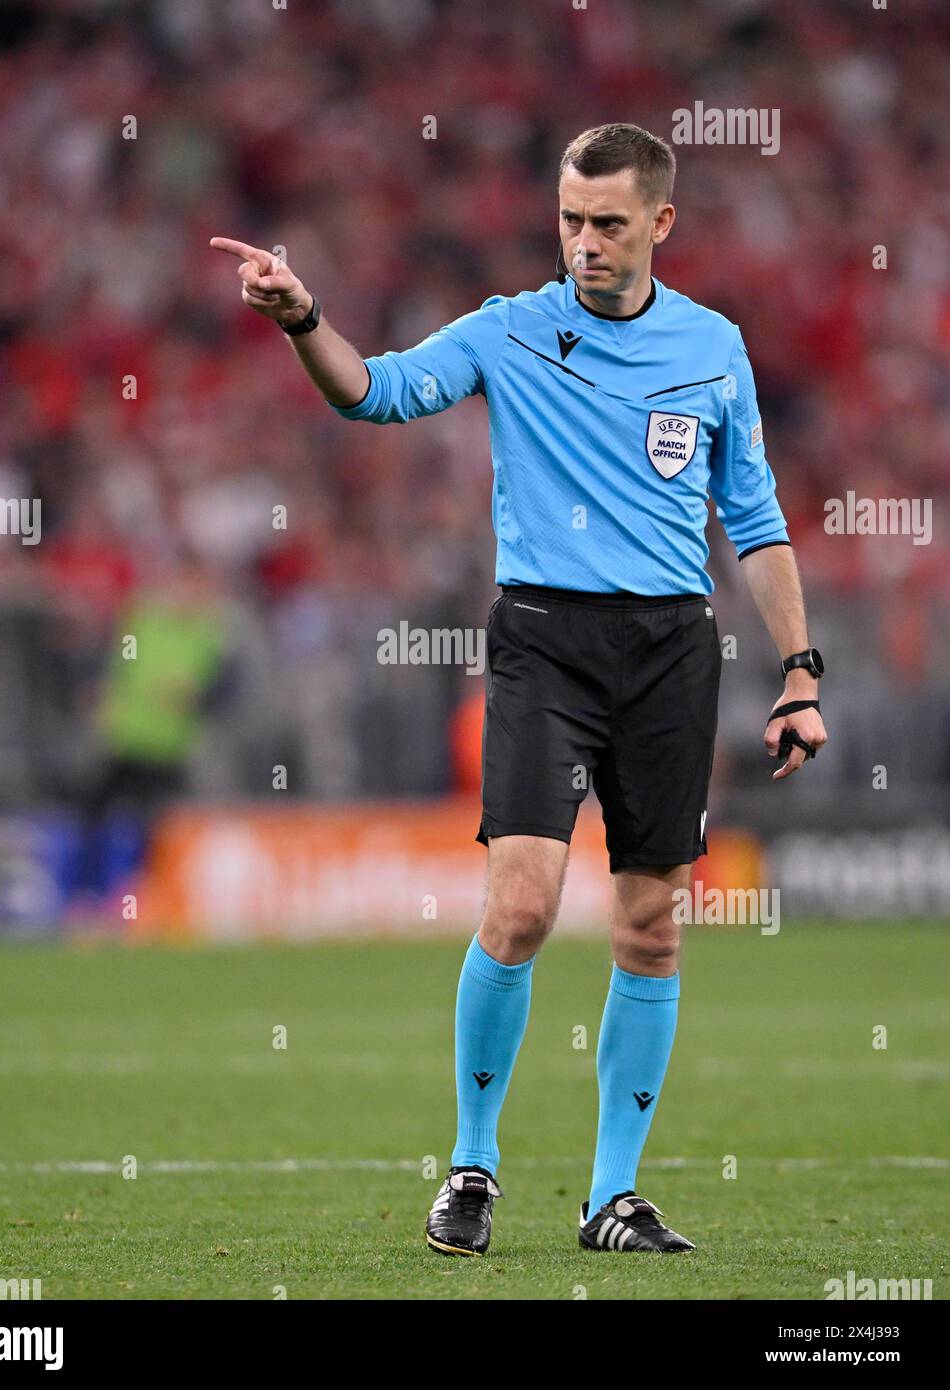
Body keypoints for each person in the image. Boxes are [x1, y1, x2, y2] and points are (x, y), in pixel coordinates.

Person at [212, 122, 828, 1257]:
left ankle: (613, 1196)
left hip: (672, 650)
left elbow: (756, 522)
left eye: (605, 223)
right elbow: (378, 393)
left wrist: (798, 671)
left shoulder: (713, 348)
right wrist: (304, 318)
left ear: (660, 223)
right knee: (524, 903)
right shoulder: (511, 329)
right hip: (544, 638)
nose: (583, 243)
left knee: (651, 929)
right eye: (569, 220)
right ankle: (473, 1165)